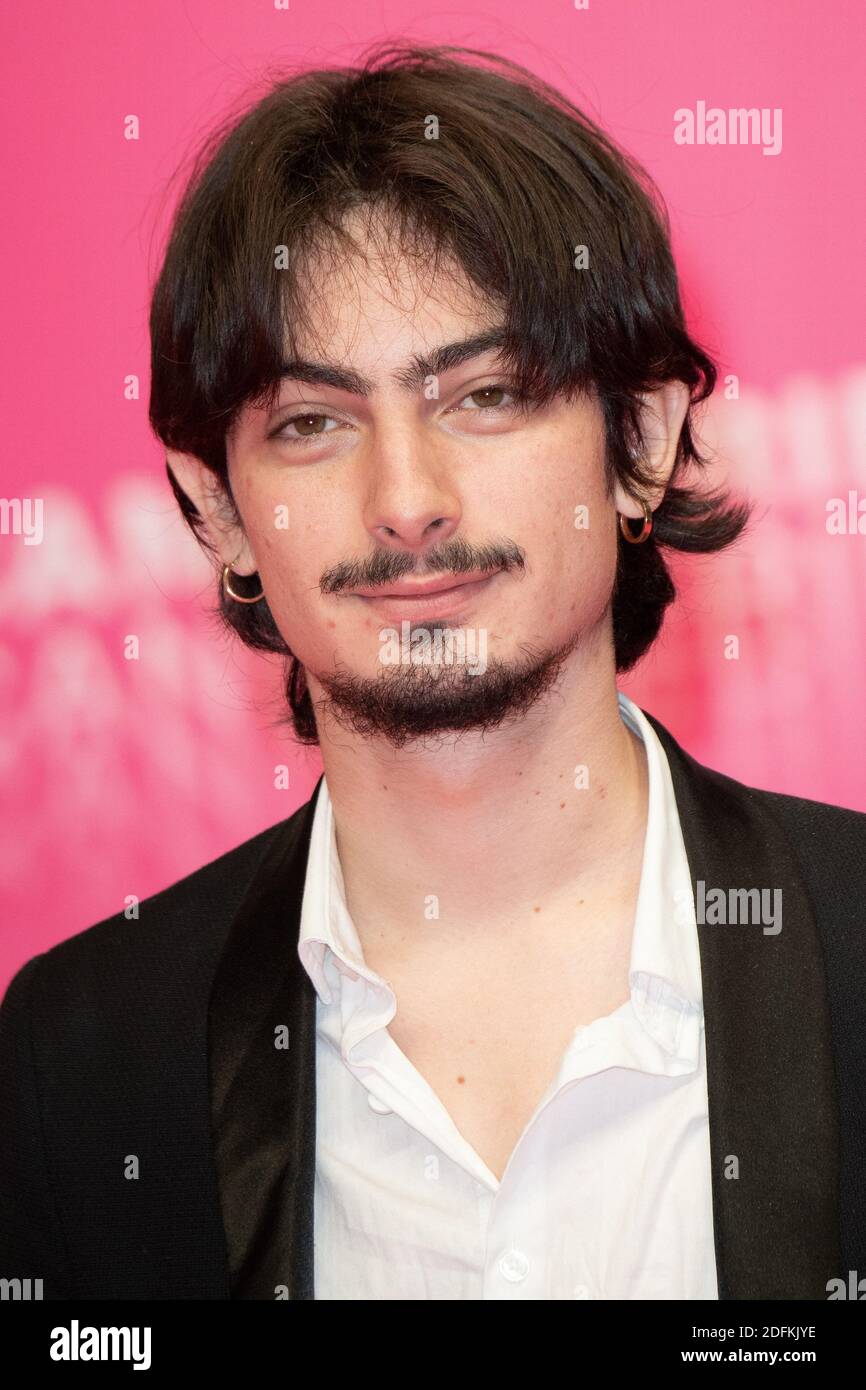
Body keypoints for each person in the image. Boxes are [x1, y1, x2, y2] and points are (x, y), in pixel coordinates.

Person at [2, 42, 864, 1303]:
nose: (405, 503)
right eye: (312, 423)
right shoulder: (77, 1059)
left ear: (640, 440)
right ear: (219, 509)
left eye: (485, 395)